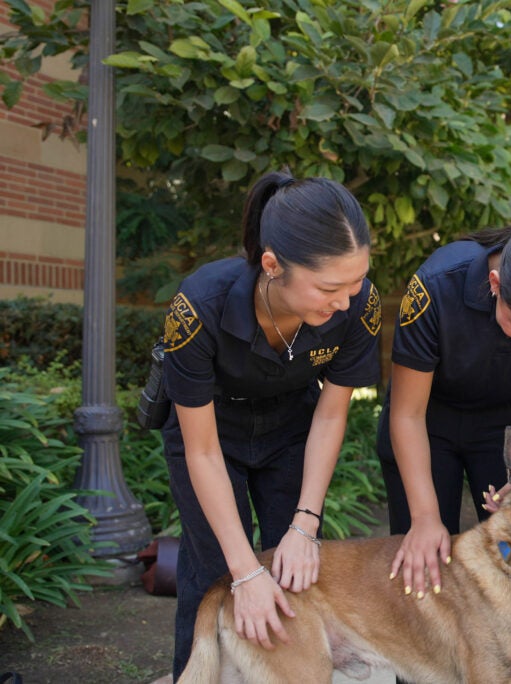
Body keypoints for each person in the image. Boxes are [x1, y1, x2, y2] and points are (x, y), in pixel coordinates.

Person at [159, 171, 381, 680]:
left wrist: (306, 524)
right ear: (272, 265)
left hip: (293, 426)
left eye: (356, 282)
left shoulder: (359, 305)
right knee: (215, 574)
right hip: (212, 432)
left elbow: (331, 411)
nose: (346, 301)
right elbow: (203, 450)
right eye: (330, 287)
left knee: (294, 573)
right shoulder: (198, 307)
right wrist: (243, 571)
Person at [377, 222, 511, 683]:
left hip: (509, 427)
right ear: (495, 286)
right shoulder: (435, 286)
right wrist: (424, 518)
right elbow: (407, 414)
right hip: (427, 422)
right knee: (424, 570)